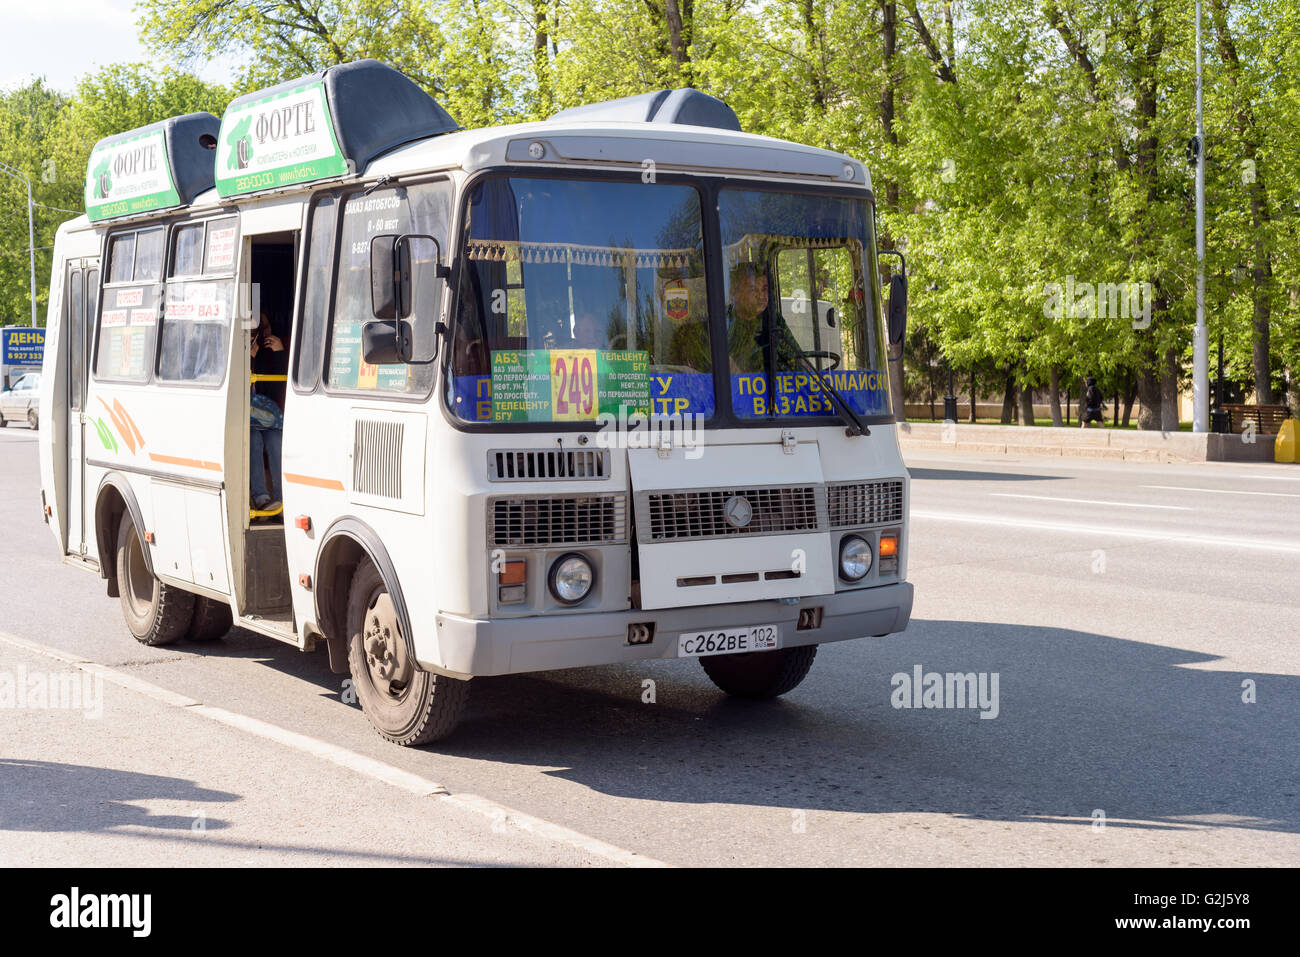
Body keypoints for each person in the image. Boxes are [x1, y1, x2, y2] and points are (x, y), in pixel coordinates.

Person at [725, 261, 801, 374]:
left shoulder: (773, 320)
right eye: (753, 289)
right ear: (734, 292)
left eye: (765, 289)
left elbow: (798, 360)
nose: (760, 296)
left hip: (775, 390)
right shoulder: (723, 321)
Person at [250, 311, 287, 511]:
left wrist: (279, 352)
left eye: (265, 328)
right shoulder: (240, 351)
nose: (263, 333)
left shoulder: (268, 354)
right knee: (253, 440)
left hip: (265, 418)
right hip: (244, 419)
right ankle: (260, 497)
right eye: (258, 328)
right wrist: (248, 359)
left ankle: (281, 498)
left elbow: (274, 392)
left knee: (275, 440)